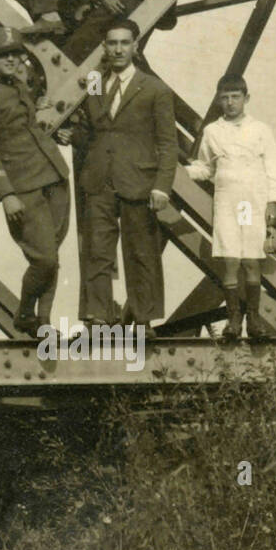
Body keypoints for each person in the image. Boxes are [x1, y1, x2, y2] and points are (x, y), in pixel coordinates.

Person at [63, 19, 177, 329]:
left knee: (141, 253)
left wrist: (162, 187)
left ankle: (143, 321)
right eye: (112, 43)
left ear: (135, 46)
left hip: (139, 182)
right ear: (104, 47)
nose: (118, 49)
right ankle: (98, 317)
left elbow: (168, 145)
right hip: (99, 180)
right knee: (97, 251)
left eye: (124, 43)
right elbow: (90, 132)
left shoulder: (155, 89)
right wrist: (70, 135)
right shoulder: (96, 84)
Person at [0, 27, 71, 338]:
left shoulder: (17, 85)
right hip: (24, 187)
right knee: (45, 258)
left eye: (15, 54)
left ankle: (44, 320)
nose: (12, 60)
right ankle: (25, 312)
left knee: (52, 255)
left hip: (54, 175)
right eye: (3, 56)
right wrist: (6, 194)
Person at [185, 74, 276, 340]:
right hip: (227, 200)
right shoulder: (212, 131)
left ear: (246, 98)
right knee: (230, 260)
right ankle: (233, 320)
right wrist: (182, 172)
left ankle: (254, 320)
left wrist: (273, 201)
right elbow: (205, 168)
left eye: (235, 97)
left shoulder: (261, 130)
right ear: (219, 100)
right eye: (225, 98)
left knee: (251, 261)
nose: (230, 103)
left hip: (252, 199)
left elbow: (274, 167)